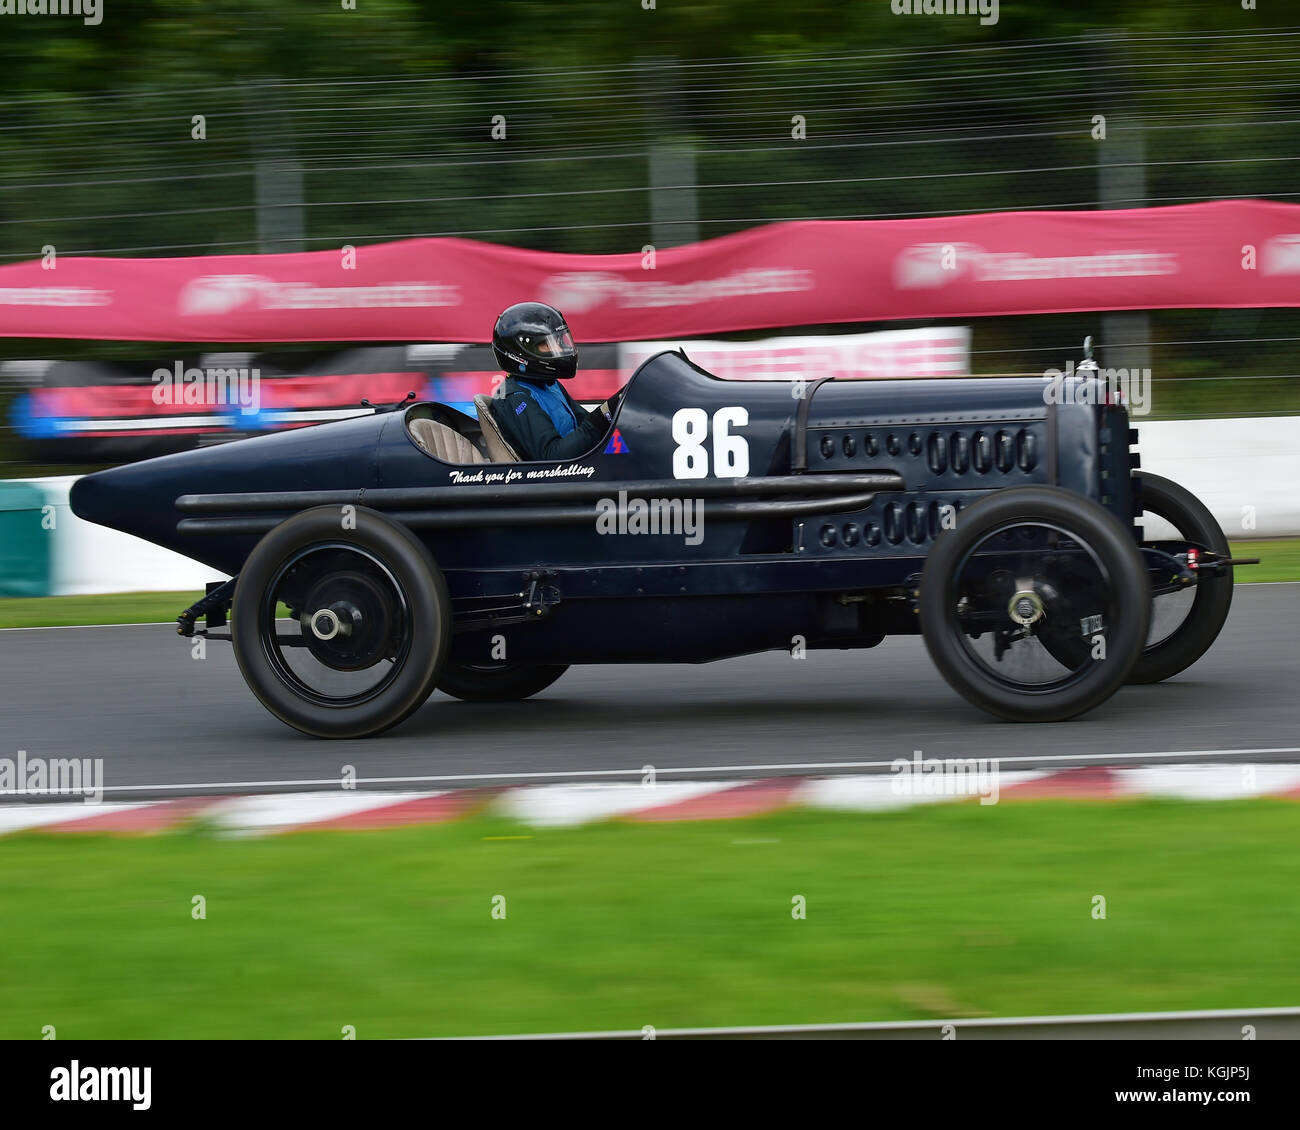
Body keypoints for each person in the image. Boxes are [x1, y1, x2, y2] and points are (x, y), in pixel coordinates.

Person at [489, 301, 615, 460]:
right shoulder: (515, 399)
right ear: (521, 352)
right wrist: (603, 416)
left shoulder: (550, 384)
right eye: (546, 344)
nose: (560, 349)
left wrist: (614, 410)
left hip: (582, 467)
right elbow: (552, 456)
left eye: (559, 341)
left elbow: (587, 424)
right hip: (560, 479)